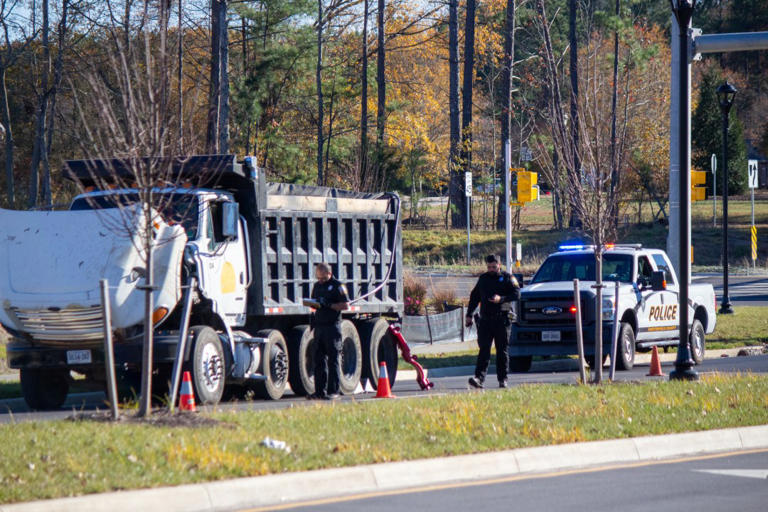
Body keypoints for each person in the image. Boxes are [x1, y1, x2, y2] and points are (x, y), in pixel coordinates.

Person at [465, 254, 520, 389]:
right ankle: (479, 379)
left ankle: (503, 379)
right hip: (485, 320)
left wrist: (501, 299)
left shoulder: (508, 278)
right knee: (484, 350)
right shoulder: (483, 279)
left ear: (499, 265)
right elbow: (474, 297)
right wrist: (469, 315)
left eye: (494, 267)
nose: (491, 269)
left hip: (502, 319)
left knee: (502, 351)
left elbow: (517, 294)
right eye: (489, 267)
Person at [309, 262, 349, 400]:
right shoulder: (317, 286)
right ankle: (319, 391)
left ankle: (333, 391)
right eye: (318, 278)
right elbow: (312, 304)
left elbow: (345, 305)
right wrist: (314, 304)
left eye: (323, 278)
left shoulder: (339, 286)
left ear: (329, 274)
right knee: (318, 360)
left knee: (333, 360)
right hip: (319, 326)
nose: (320, 281)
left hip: (332, 327)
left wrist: (329, 304)